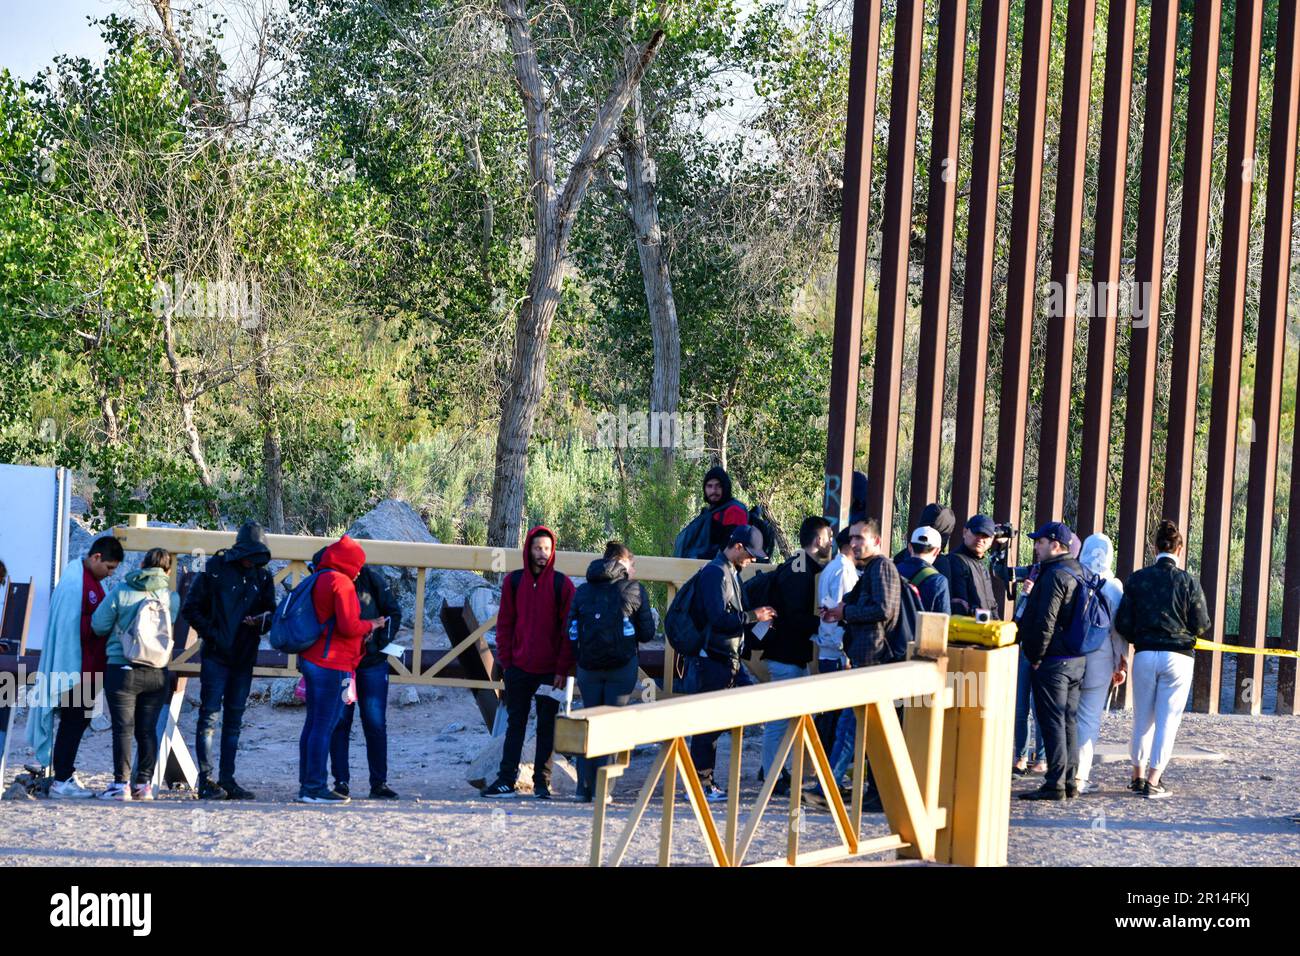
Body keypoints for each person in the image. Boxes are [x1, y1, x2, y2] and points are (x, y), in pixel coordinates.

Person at [1115, 519, 1210, 799]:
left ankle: (1137, 775)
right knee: (1168, 720)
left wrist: (1139, 636)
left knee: (1142, 718)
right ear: (1179, 549)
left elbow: (1122, 621)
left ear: (1154, 547)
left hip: (1144, 654)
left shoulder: (1137, 579)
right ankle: (1154, 781)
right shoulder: (1189, 582)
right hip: (1178, 657)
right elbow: (1202, 623)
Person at [481, 525, 576, 800]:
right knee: (515, 725)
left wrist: (562, 669)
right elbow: (505, 624)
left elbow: (568, 632)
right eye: (537, 548)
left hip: (551, 672)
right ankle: (506, 780)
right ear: (528, 549)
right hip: (519, 669)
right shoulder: (513, 582)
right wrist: (507, 662)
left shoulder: (562, 585)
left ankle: (542, 784)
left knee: (547, 727)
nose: (542, 554)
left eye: (547, 548)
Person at [183, 520, 276, 801]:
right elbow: (191, 608)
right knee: (210, 715)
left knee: (234, 719)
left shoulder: (263, 577)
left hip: (244, 657)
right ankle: (206, 780)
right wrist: (212, 633)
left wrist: (260, 621)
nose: (252, 559)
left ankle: (227, 779)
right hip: (217, 655)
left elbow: (271, 613)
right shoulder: (215, 569)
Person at [28, 535, 123, 799]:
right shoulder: (76, 583)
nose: (110, 573)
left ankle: (64, 774)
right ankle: (61, 780)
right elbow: (72, 628)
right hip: (76, 668)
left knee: (77, 721)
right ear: (96, 558)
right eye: (109, 567)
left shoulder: (86, 579)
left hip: (87, 669)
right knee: (74, 720)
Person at [686, 525, 775, 802]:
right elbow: (718, 619)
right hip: (713, 659)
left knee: (715, 721)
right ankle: (700, 785)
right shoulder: (716, 573)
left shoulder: (729, 572)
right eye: (751, 555)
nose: (752, 560)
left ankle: (704, 782)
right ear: (738, 548)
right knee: (706, 725)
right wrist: (753, 616)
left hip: (726, 659)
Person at [297, 535, 387, 804]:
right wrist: (372, 625)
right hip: (332, 662)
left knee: (313, 724)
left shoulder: (319, 577)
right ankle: (314, 787)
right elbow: (349, 626)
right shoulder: (341, 582)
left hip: (312, 660)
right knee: (325, 725)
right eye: (357, 564)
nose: (359, 570)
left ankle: (307, 784)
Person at [821, 518, 902, 811]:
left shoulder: (881, 567)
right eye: (852, 538)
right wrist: (838, 611)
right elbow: (856, 606)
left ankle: (827, 787)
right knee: (859, 730)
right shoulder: (867, 571)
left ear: (877, 542)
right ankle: (872, 793)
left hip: (875, 663)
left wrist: (847, 611)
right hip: (866, 662)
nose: (855, 543)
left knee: (849, 727)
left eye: (861, 538)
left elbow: (883, 609)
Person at [568, 541, 656, 803]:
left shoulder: (582, 590)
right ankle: (603, 790)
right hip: (621, 667)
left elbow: (570, 630)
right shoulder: (634, 589)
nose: (634, 567)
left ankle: (582, 788)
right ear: (622, 562)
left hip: (588, 668)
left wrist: (582, 657)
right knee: (612, 724)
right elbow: (648, 633)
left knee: (589, 723)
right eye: (632, 562)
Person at [90, 548, 180, 800]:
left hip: (122, 667)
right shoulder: (171, 597)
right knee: (147, 730)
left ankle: (121, 786)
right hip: (157, 671)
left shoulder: (121, 590)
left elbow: (98, 625)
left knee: (123, 729)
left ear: (141, 564)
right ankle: (144, 785)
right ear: (168, 570)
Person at [316, 547, 403, 800]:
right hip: (343, 664)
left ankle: (379, 783)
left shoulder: (371, 578)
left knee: (375, 723)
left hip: (373, 663)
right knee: (341, 722)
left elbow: (393, 612)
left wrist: (379, 642)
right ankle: (341, 782)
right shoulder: (332, 580)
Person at [756, 516, 831, 795]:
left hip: (786, 653)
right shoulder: (801, 571)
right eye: (829, 537)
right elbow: (792, 616)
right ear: (819, 539)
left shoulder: (796, 565)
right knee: (779, 721)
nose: (831, 543)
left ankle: (773, 770)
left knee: (788, 719)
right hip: (787, 656)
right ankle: (771, 775)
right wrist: (826, 622)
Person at [1016, 521, 1086, 801]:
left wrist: (1035, 656)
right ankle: (1069, 780)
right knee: (1069, 721)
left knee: (1053, 721)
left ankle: (1054, 783)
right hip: (1077, 659)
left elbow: (1045, 621)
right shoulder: (1078, 570)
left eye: (1040, 542)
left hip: (1054, 660)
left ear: (1055, 545)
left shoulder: (1054, 575)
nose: (1035, 546)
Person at [1074, 533, 1127, 794]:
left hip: (1069, 653)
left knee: (1066, 713)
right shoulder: (1113, 586)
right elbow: (1118, 630)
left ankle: (1059, 771)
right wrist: (1121, 662)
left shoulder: (1072, 576)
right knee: (1089, 716)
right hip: (1101, 653)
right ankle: (1079, 777)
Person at [813, 527, 859, 753]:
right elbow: (837, 613)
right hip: (835, 653)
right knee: (835, 720)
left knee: (832, 716)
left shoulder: (836, 567)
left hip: (830, 650)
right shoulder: (843, 570)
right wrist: (845, 652)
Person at [673, 466, 750, 559]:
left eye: (718, 486)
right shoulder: (712, 512)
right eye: (709, 486)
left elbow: (733, 550)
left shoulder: (735, 510)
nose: (713, 490)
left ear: (725, 487)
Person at [936, 515, 997, 617]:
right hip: (964, 629)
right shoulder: (954, 561)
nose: (980, 539)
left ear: (991, 540)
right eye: (977, 533)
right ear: (965, 532)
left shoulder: (982, 567)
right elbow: (959, 606)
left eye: (985, 536)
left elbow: (992, 605)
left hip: (985, 630)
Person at [896, 526, 951, 614]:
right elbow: (943, 619)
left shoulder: (893, 571)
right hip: (921, 627)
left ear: (910, 547)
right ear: (937, 551)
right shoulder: (938, 581)